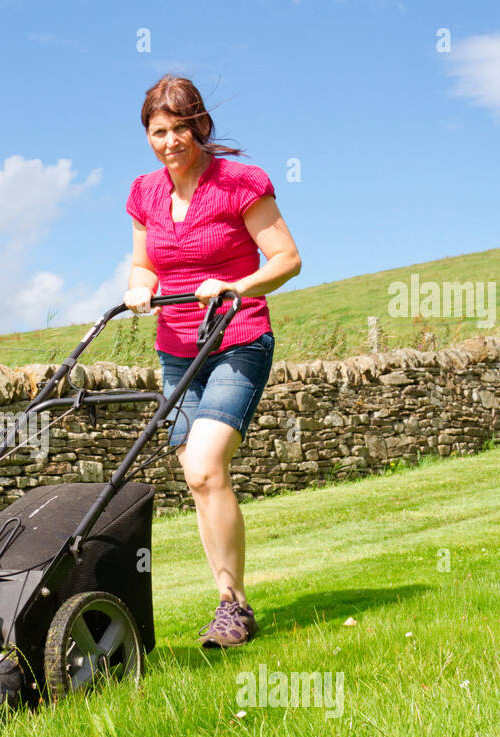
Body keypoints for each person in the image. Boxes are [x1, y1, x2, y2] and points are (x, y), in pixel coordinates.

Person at [124, 74, 301, 648]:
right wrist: (138, 287)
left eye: (180, 128)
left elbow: (287, 259)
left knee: (204, 466)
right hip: (176, 348)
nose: (170, 141)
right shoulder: (144, 193)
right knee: (199, 480)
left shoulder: (239, 183)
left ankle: (232, 605)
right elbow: (144, 265)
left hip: (237, 337)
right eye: (159, 131)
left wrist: (234, 284)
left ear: (199, 125)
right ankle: (231, 600)